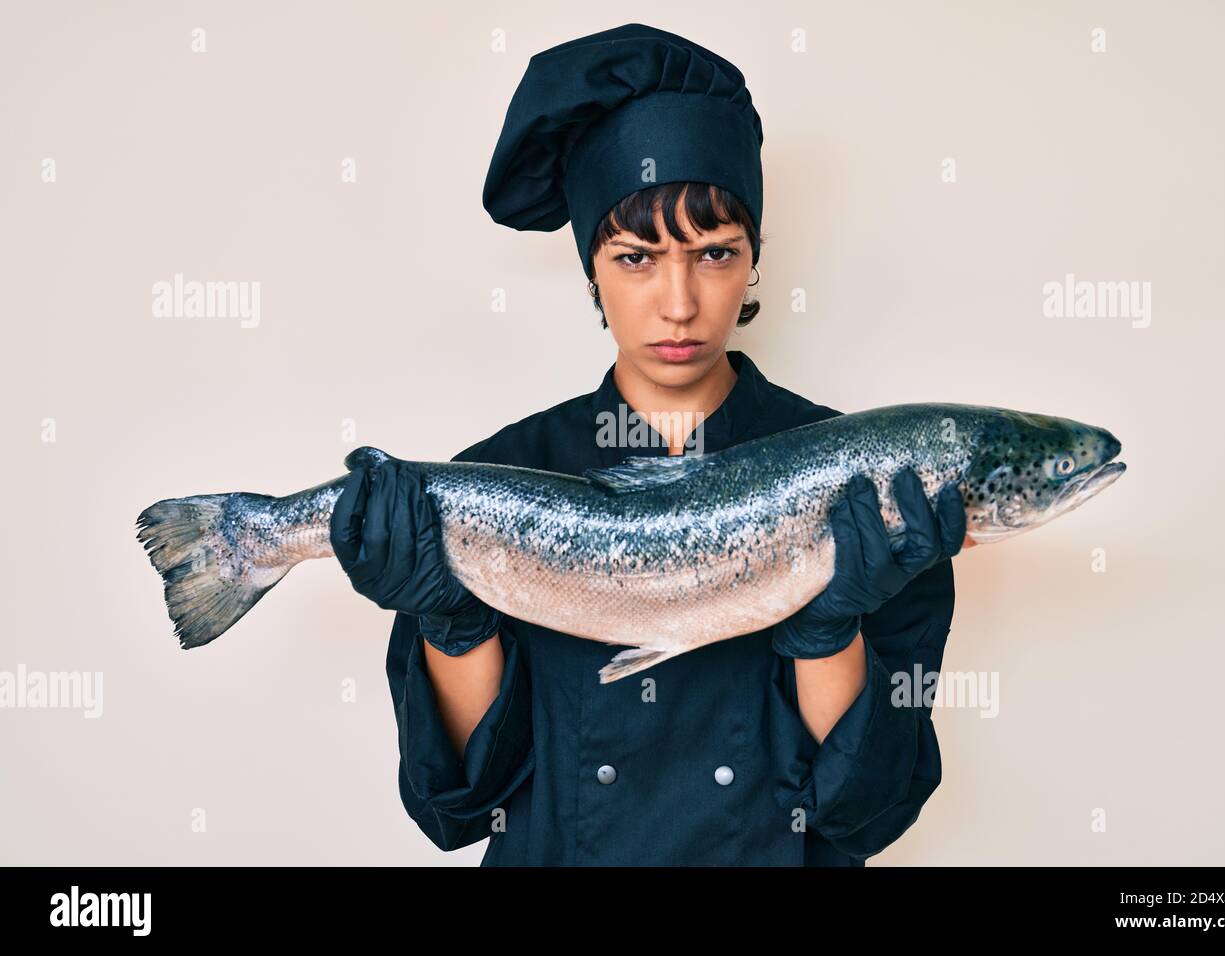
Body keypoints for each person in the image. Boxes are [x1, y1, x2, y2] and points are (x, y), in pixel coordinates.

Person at [329, 23, 964, 866]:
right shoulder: (492, 483)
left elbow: (866, 813)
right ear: (591, 268)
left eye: (715, 254)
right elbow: (459, 805)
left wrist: (829, 628)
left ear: (753, 261)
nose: (679, 302)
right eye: (636, 257)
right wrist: (452, 622)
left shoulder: (875, 491)